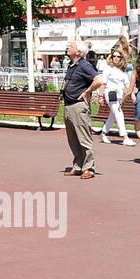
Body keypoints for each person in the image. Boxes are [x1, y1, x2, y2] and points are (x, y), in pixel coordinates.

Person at [61, 41, 103, 180]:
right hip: (68, 106)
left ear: (78, 52)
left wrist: (87, 91)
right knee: (73, 139)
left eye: (71, 47)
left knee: (84, 139)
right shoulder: (72, 65)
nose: (68, 48)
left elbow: (98, 80)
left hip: (79, 106)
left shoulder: (84, 65)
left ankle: (89, 168)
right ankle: (78, 165)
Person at [98, 50, 136, 146]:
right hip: (110, 93)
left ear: (121, 58)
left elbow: (127, 83)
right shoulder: (107, 68)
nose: (116, 58)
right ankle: (125, 137)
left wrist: (131, 94)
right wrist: (100, 96)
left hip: (120, 95)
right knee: (119, 113)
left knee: (113, 115)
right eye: (114, 56)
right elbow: (103, 82)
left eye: (118, 56)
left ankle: (103, 133)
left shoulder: (122, 70)